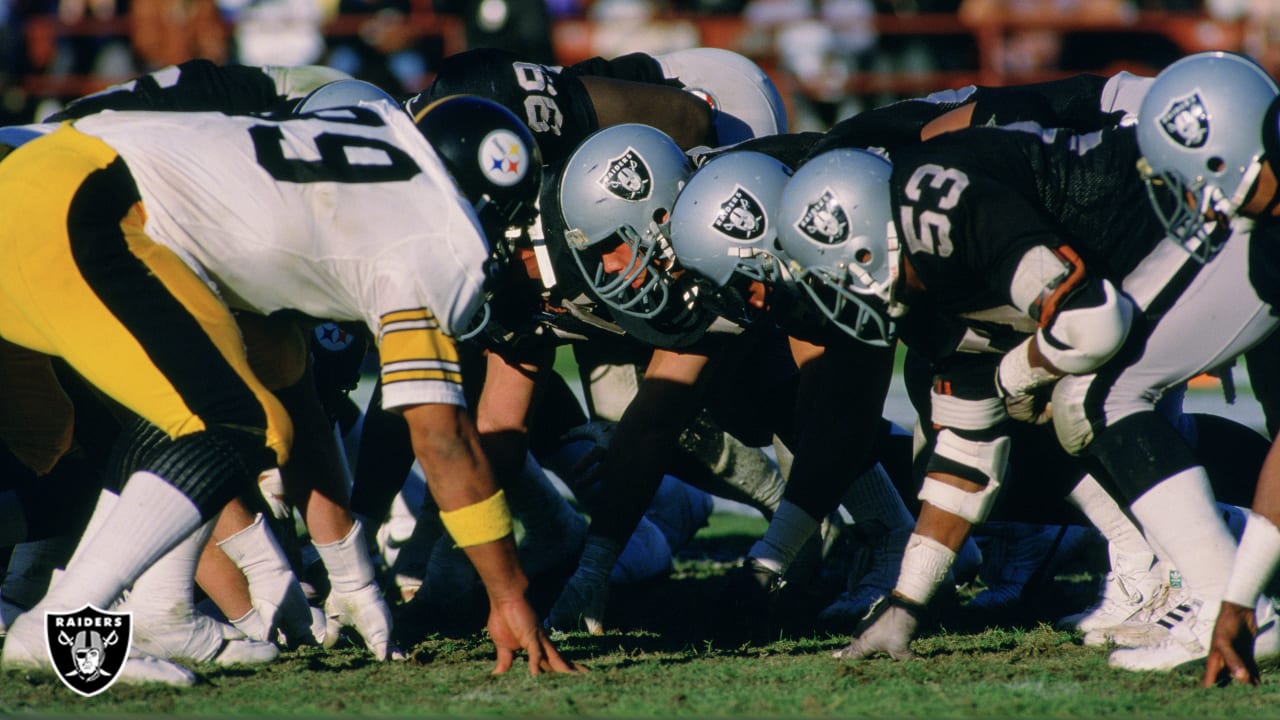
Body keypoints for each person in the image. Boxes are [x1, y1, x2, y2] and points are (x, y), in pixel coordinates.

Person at [0, 92, 579, 680]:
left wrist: (350, 573)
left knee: (222, 393)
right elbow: (442, 439)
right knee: (235, 420)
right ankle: (65, 619)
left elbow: (286, 374)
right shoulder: (430, 239)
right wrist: (508, 595)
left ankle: (157, 607)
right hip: (83, 209)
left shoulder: (372, 134)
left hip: (46, 178)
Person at [774, 51, 1280, 674]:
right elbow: (966, 460)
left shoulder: (942, 211)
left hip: (1197, 219)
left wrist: (1018, 372)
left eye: (837, 279)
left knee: (1092, 399)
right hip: (1153, 256)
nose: (839, 303)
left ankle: (1209, 593)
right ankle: (1218, 589)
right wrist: (904, 607)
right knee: (1084, 404)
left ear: (866, 243)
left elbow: (1091, 322)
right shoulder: (924, 295)